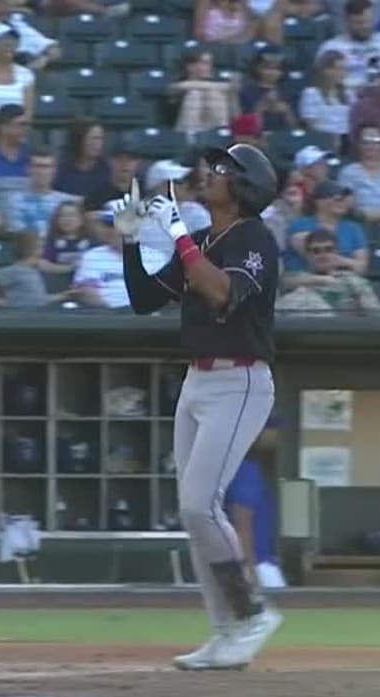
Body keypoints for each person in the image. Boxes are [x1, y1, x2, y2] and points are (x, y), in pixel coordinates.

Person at [111, 142, 282, 670]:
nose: (209, 174)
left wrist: (180, 234)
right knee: (194, 514)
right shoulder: (205, 238)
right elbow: (144, 300)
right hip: (197, 381)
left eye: (224, 170)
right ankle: (223, 632)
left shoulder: (254, 238)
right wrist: (132, 240)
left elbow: (222, 294)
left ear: (245, 185)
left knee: (198, 505)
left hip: (241, 381)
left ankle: (251, 612)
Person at [224, 416, 286, 589]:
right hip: (257, 566)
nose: (276, 435)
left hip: (257, 563)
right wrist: (247, 571)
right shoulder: (245, 471)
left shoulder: (244, 467)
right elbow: (241, 524)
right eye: (271, 429)